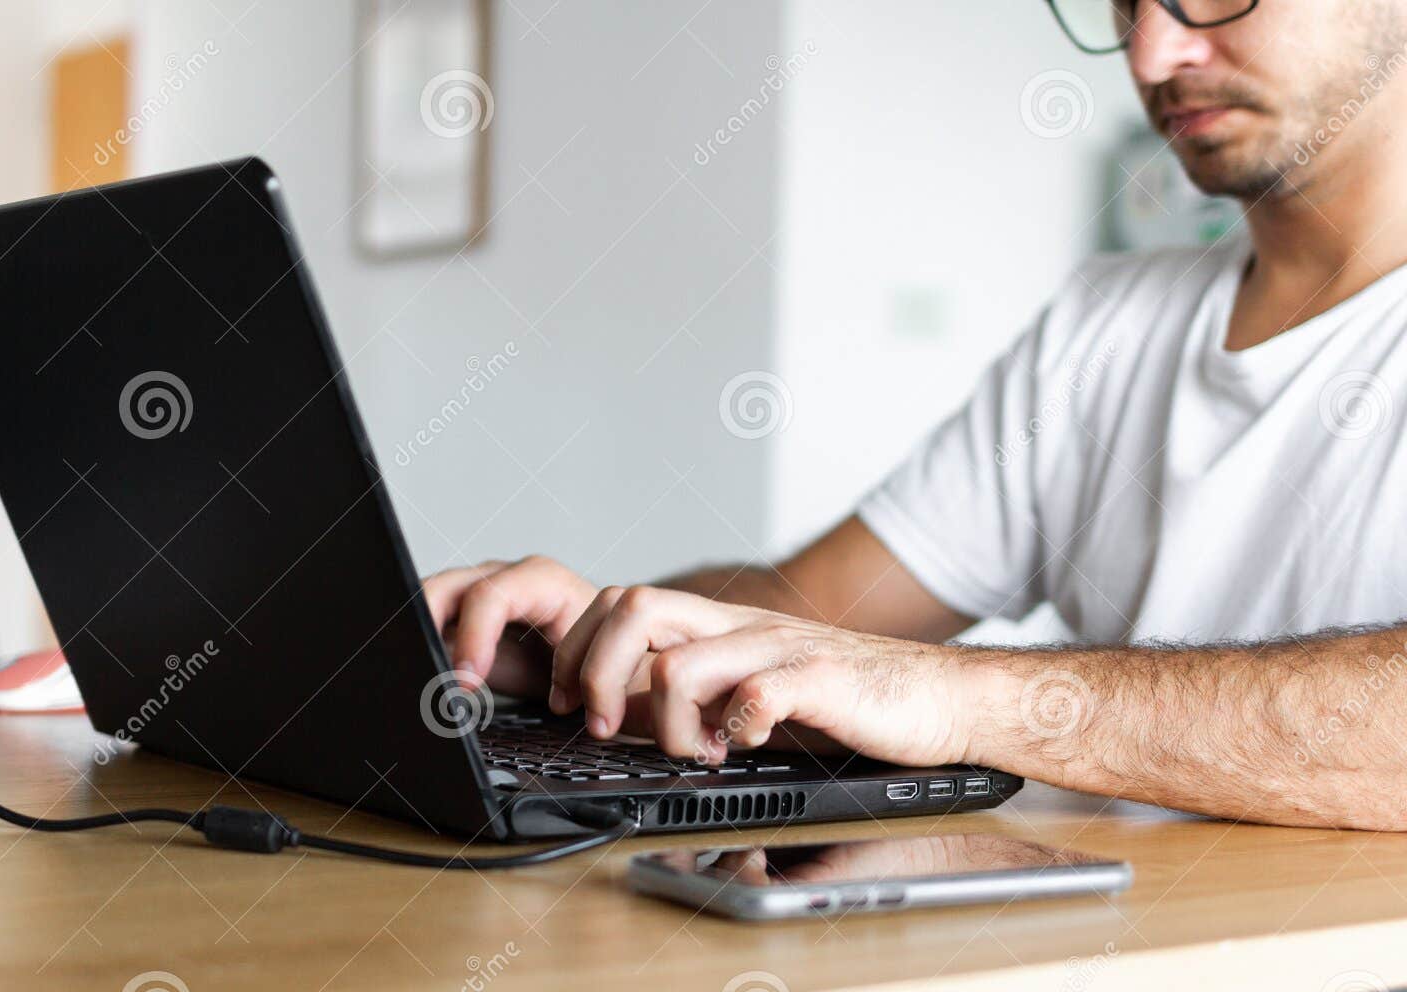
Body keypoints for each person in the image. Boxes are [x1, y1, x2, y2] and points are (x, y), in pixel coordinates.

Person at [425, 0, 1407, 832]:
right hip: (1115, 980)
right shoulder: (1107, 324)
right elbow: (819, 618)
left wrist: (950, 694)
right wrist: (583, 646)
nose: (1152, 54)